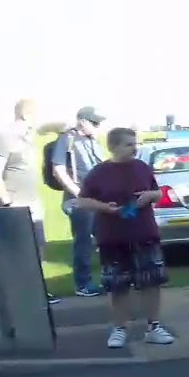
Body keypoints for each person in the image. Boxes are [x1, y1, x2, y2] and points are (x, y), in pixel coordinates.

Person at [75, 127, 175, 349]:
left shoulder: (142, 167)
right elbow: (82, 201)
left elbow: (157, 192)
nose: (134, 148)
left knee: (152, 283)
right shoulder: (99, 172)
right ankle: (120, 328)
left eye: (134, 143)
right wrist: (105, 207)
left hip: (145, 234)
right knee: (118, 286)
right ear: (114, 147)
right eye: (128, 144)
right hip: (113, 237)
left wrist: (150, 195)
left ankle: (154, 326)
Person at [0, 99, 58, 305]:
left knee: (38, 250)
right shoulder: (4, 138)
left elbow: (55, 127)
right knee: (15, 255)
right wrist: (8, 204)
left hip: (32, 204)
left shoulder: (27, 140)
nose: (37, 121)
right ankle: (18, 298)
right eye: (35, 115)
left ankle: (37, 293)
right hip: (14, 206)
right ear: (26, 115)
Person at [52, 106, 108, 298]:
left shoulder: (93, 141)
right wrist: (78, 193)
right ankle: (83, 284)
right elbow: (58, 169)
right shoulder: (67, 139)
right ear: (82, 121)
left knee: (106, 239)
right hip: (79, 201)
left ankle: (108, 278)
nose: (97, 126)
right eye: (94, 123)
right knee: (83, 242)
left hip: (98, 199)